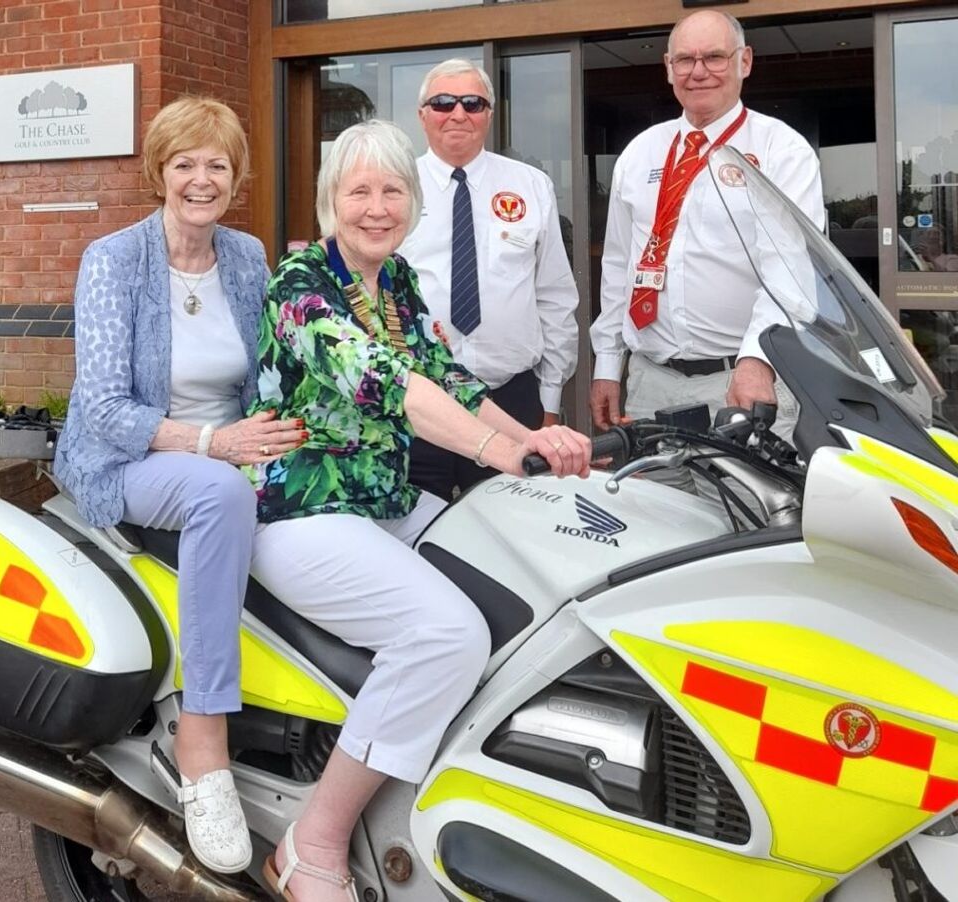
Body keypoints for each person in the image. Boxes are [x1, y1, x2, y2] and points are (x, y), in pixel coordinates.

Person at [247, 119, 592, 902]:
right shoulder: (301, 285)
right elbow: (389, 386)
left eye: (392, 190)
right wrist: (493, 453)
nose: (377, 206)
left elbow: (454, 378)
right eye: (358, 191)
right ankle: (314, 843)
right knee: (446, 634)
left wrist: (532, 436)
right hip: (306, 507)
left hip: (387, 499)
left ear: (413, 201)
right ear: (329, 200)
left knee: (530, 591)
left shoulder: (395, 281)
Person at [53, 97, 304, 875]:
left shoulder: (246, 256)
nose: (202, 179)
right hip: (127, 458)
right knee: (219, 495)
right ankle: (203, 744)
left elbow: (266, 374)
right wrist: (213, 445)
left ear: (237, 177)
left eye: (218, 165)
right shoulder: (115, 259)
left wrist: (280, 431)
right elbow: (102, 407)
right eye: (185, 163)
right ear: (159, 172)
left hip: (226, 446)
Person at [589, 10, 826, 435]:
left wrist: (757, 360)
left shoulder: (782, 151)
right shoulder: (639, 152)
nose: (698, 72)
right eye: (685, 60)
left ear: (745, 62)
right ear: (668, 68)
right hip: (650, 384)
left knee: (737, 504)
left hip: (740, 382)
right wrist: (607, 364)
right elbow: (619, 268)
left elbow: (792, 272)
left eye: (715, 57)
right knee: (654, 502)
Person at [398, 58, 580, 500]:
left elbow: (554, 297)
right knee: (419, 534)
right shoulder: (395, 185)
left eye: (472, 103)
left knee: (514, 533)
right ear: (422, 114)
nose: (458, 113)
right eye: (442, 103)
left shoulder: (530, 185)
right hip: (419, 402)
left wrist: (549, 405)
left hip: (511, 398)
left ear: (489, 115)